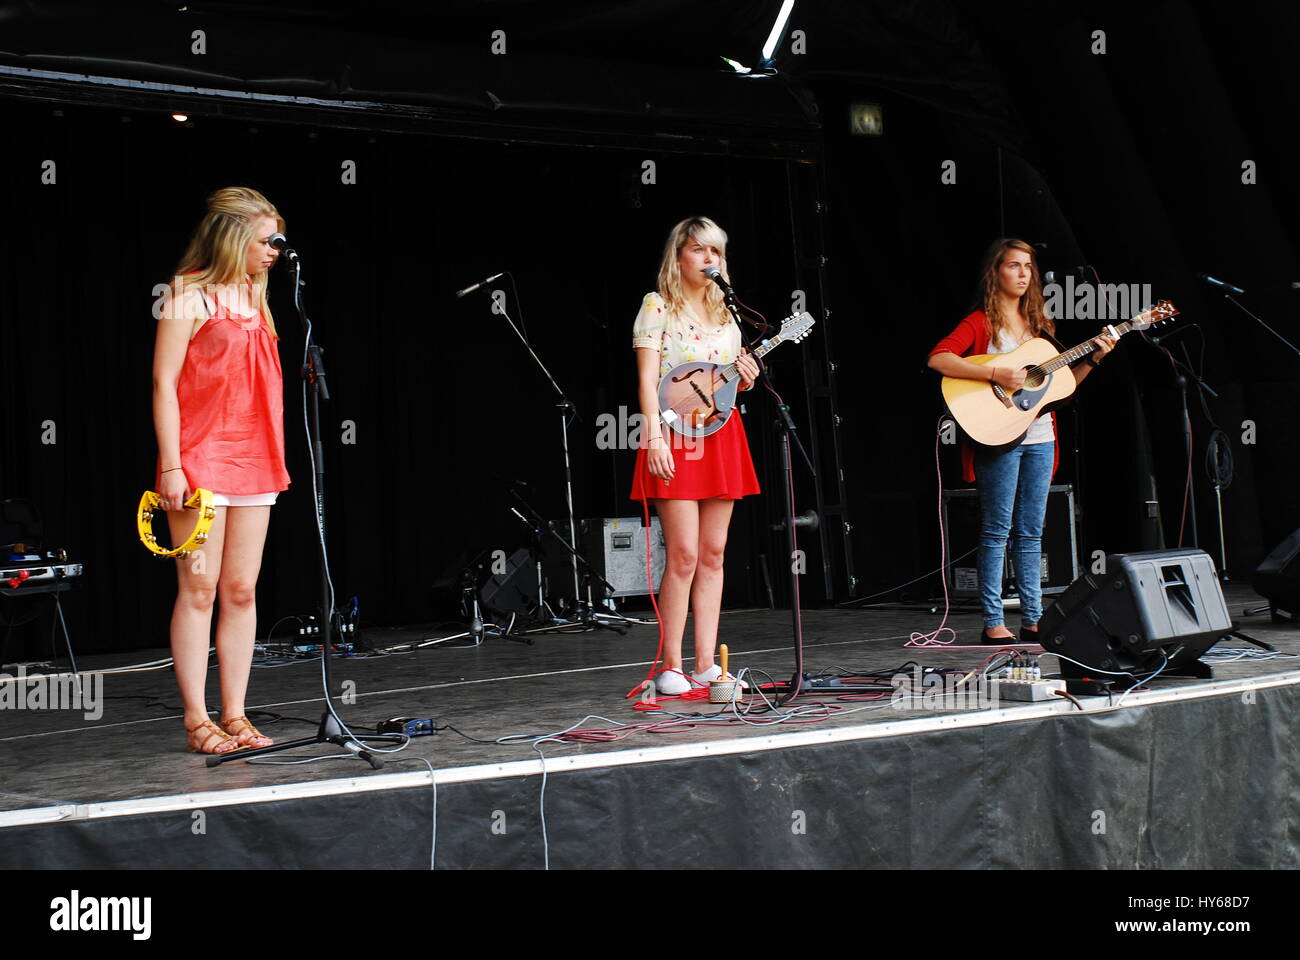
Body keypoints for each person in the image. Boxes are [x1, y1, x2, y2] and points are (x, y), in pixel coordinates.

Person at [152, 187, 291, 753]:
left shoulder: (259, 297)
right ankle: (196, 719)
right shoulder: (187, 294)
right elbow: (163, 384)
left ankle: (234, 713)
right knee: (199, 588)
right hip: (201, 458)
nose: (276, 251)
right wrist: (170, 465)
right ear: (234, 237)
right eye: (267, 240)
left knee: (240, 589)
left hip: (256, 457)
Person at [927, 238, 1115, 643]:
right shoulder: (981, 322)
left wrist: (1095, 357)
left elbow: (1059, 389)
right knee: (997, 530)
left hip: (1040, 437)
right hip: (999, 436)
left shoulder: (1041, 329)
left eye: (1028, 267)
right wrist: (996, 375)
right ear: (995, 272)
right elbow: (939, 358)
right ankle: (993, 622)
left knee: (1031, 532)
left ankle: (1034, 619)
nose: (1023, 273)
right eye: (1014, 265)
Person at [630, 217, 761, 695]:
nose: (710, 260)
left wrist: (744, 377)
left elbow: (723, 383)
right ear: (679, 255)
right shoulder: (657, 305)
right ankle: (671, 665)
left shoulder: (728, 312)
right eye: (701, 250)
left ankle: (707, 661)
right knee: (682, 555)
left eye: (718, 253)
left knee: (713, 552)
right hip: (673, 433)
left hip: (719, 431)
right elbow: (647, 379)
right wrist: (653, 439)